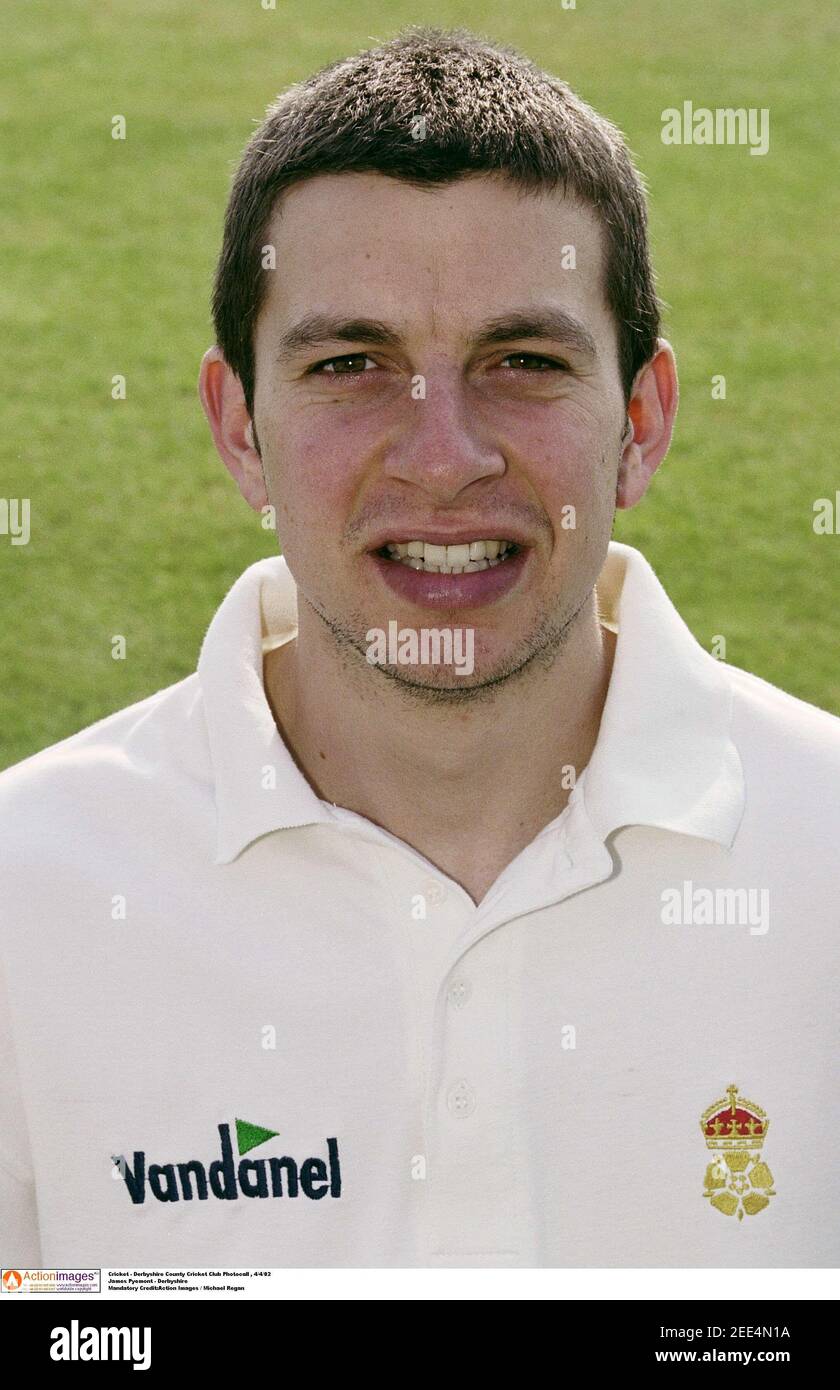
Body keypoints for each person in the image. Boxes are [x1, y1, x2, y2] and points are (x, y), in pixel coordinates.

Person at [1, 28, 838, 1270]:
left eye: (523, 362)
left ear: (642, 421)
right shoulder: (29, 895)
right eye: (351, 364)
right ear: (240, 431)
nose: (443, 456)